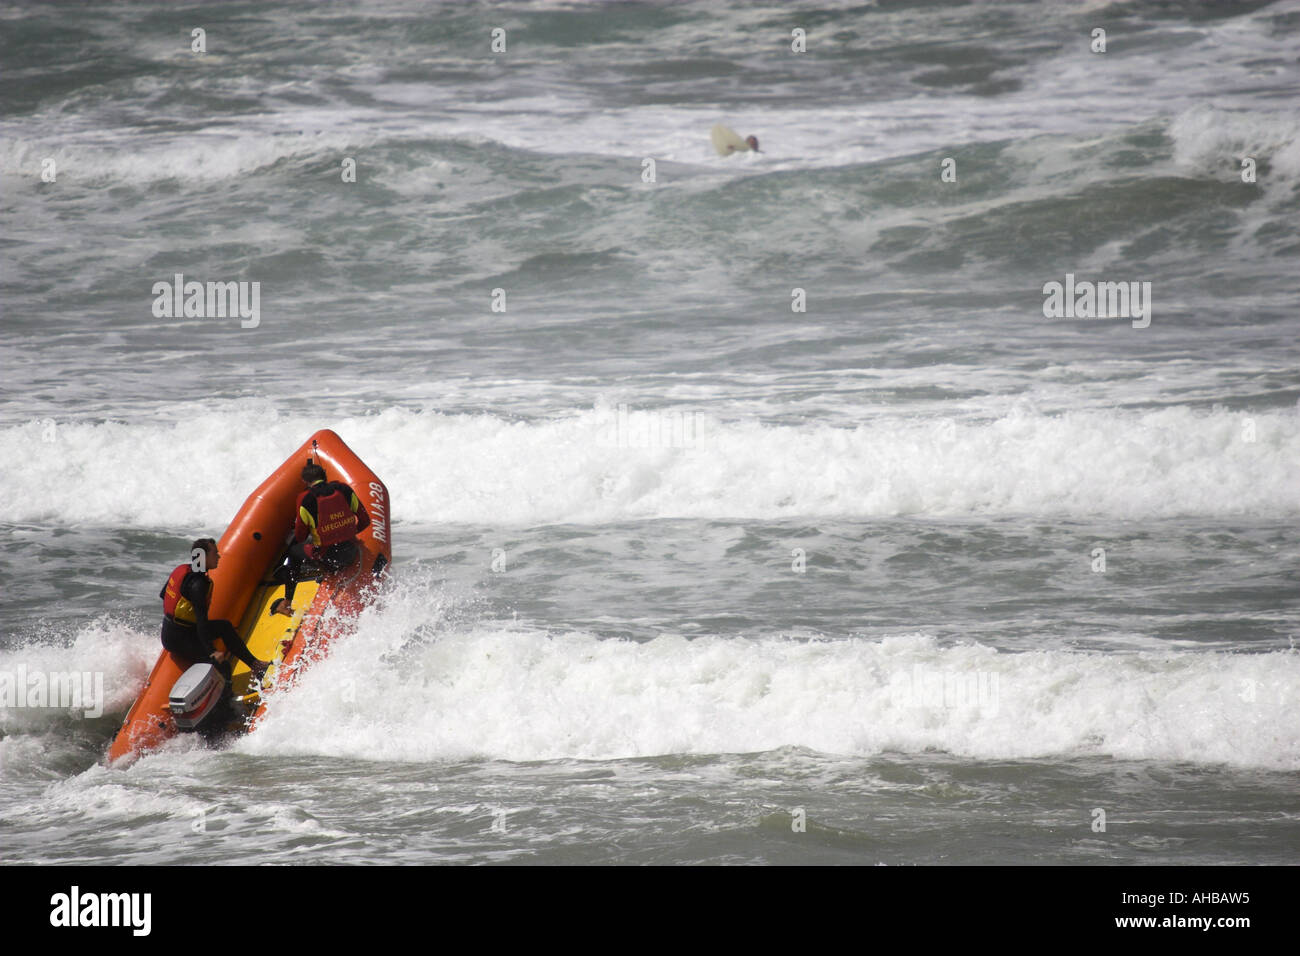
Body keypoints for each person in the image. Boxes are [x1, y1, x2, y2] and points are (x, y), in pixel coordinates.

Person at [270, 463, 370, 616]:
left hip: (329, 560)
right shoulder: (344, 490)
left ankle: (287, 603)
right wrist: (345, 532)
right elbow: (365, 520)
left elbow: (300, 536)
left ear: (306, 482)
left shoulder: (305, 500)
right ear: (325, 475)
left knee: (294, 553)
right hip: (351, 553)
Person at [160, 538, 269, 678]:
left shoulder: (183, 570)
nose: (218, 556)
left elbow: (164, 596)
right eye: (215, 553)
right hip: (180, 639)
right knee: (223, 666)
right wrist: (212, 651)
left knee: (225, 627)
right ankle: (226, 698)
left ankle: (255, 665)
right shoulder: (198, 585)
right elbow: (201, 621)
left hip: (173, 631)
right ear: (202, 557)